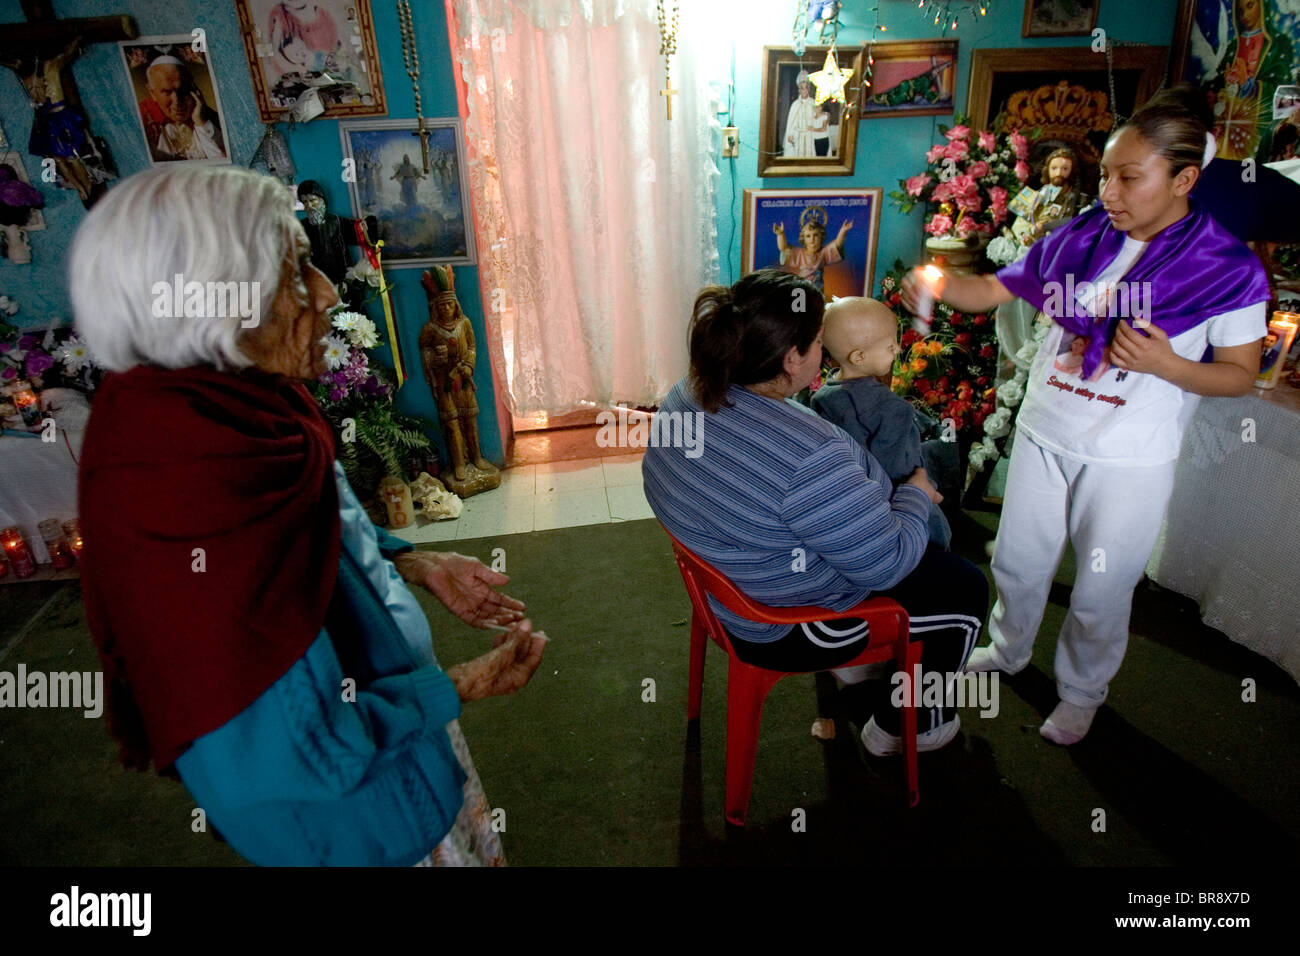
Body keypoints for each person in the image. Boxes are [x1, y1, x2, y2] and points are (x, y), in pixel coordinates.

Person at [69, 165, 547, 866]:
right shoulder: (181, 478)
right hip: (356, 819)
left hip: (399, 748)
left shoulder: (242, 401)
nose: (326, 294)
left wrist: (409, 560)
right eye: (296, 274)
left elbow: (323, 518)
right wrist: (462, 685)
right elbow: (302, 753)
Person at [901, 87, 1269, 745]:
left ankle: (1081, 692)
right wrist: (940, 285)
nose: (1110, 191)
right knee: (1017, 560)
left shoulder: (1230, 267)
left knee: (1101, 589)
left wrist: (1169, 366)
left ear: (1184, 178)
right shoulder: (1084, 230)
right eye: (1106, 174)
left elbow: (1241, 374)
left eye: (1130, 177)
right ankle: (1010, 649)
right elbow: (995, 288)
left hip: (1130, 454)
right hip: (1046, 427)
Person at [643, 269, 988, 756]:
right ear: (791, 358)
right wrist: (914, 492)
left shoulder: (688, 392)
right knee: (964, 586)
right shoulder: (809, 453)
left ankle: (860, 670)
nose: (825, 351)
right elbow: (887, 563)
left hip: (721, 586)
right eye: (818, 342)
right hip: (783, 624)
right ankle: (903, 726)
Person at [812, 296, 952, 549]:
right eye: (890, 347)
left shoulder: (823, 395)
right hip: (894, 511)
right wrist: (928, 490)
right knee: (939, 541)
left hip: (848, 501)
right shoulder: (894, 410)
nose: (898, 350)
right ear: (859, 357)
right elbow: (903, 471)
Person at [138, 55, 226, 162]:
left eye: (182, 90)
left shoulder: (206, 114)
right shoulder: (140, 118)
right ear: (152, 93)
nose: (177, 102)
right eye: (167, 92)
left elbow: (225, 164)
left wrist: (201, 122)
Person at [773, 207, 852, 290]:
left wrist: (843, 231)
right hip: (802, 287)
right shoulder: (799, 253)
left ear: (821, 237)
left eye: (816, 235)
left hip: (818, 288)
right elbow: (783, 248)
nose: (812, 240)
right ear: (804, 238)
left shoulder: (823, 253)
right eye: (808, 236)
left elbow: (837, 244)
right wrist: (780, 234)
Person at [784, 73, 817, 158]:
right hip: (798, 137)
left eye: (806, 88)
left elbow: (817, 119)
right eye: (802, 88)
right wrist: (790, 134)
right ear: (799, 90)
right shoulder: (795, 105)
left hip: (811, 136)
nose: (804, 91)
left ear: (808, 89)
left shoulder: (813, 103)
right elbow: (791, 123)